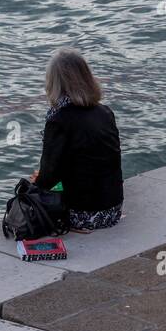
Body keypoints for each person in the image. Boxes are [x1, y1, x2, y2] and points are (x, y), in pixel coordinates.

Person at [30, 49, 123, 233]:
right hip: (113, 208)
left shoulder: (58, 120)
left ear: (54, 82)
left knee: (31, 191)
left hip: (84, 214)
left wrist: (37, 181)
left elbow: (50, 177)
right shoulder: (105, 112)